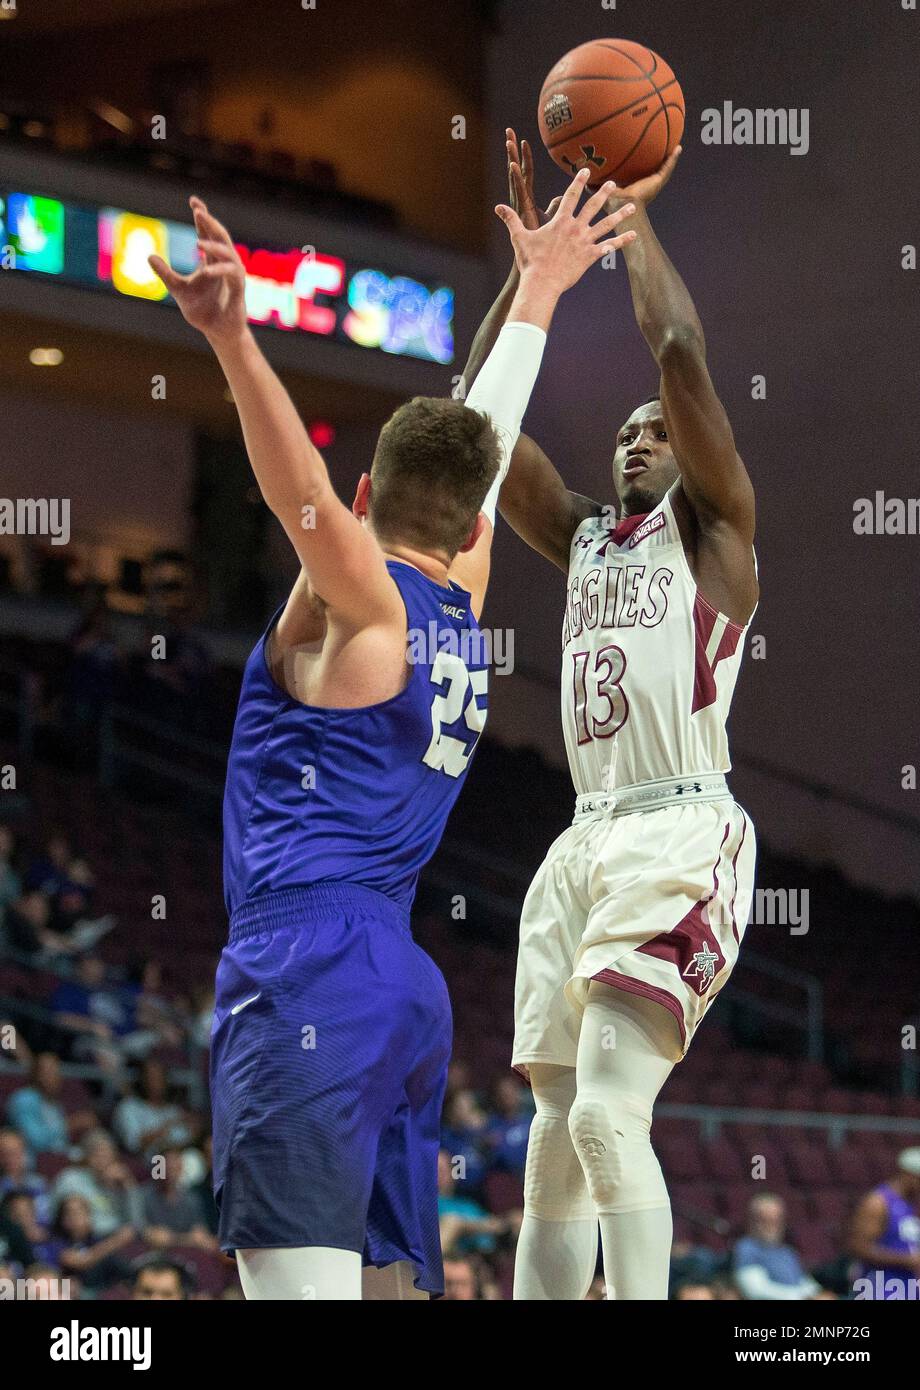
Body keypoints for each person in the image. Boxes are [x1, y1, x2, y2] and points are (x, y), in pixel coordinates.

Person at [149, 177, 636, 1301]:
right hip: (402, 988)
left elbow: (298, 491)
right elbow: (490, 441)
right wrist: (541, 290)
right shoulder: (461, 601)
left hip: (304, 972)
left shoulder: (355, 603)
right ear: (475, 526)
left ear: (368, 494)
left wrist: (233, 339)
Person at [462, 130, 758, 1302]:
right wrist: (530, 276)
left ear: (688, 455)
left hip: (680, 831)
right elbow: (477, 426)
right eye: (623, 432)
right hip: (583, 835)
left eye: (653, 431)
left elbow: (676, 345)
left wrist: (628, 223)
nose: (634, 439)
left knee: (600, 1112)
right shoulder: (586, 534)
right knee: (548, 1139)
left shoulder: (719, 535)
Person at [849, 1146, 920, 1300]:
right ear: (909, 1175)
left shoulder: (911, 1203)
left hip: (908, 1287)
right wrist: (906, 1259)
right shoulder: (878, 1202)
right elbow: (858, 1247)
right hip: (880, 1288)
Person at [732, 1193, 821, 1300]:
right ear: (752, 1221)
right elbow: (755, 1290)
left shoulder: (787, 1252)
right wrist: (798, 1297)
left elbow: (803, 1282)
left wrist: (818, 1294)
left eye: (776, 1219)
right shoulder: (746, 1248)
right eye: (765, 1220)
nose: (772, 1225)